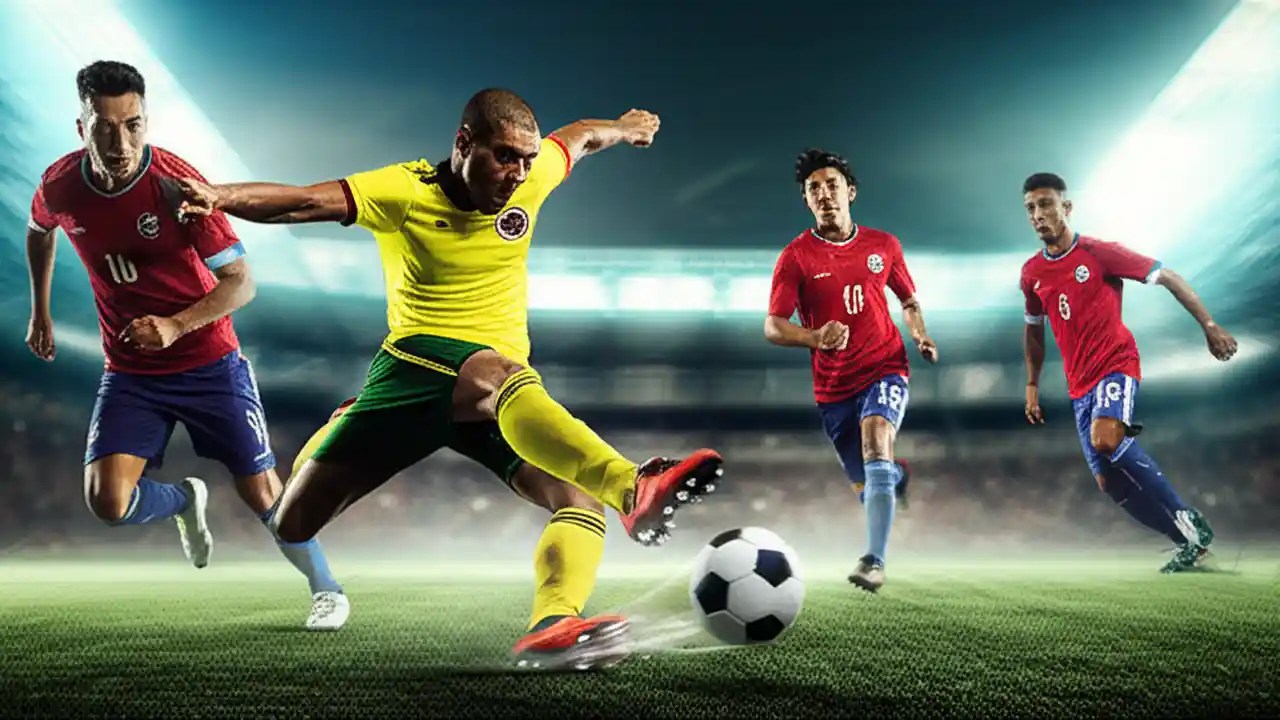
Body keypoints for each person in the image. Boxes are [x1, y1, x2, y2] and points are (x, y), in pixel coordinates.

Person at [174, 88, 725, 667]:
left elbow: (582, 136)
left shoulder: (531, 176)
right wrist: (218, 196)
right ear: (464, 144)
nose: (518, 174)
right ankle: (354, 418)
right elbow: (303, 202)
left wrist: (623, 125)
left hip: (499, 394)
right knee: (293, 523)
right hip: (415, 369)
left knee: (577, 498)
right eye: (504, 157)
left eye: (526, 160)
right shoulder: (405, 191)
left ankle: (559, 616)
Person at [24, 60, 347, 629]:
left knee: (263, 494)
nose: (121, 143)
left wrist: (175, 326)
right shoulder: (60, 184)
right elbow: (39, 231)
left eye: (133, 125)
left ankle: (327, 589)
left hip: (209, 362)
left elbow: (241, 282)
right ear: (81, 129)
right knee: (107, 503)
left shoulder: (177, 185)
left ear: (146, 121)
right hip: (130, 372)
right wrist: (40, 310)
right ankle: (183, 500)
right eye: (104, 128)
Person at [1019, 172, 1236, 572]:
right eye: (1030, 207)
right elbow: (1034, 332)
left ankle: (1189, 519)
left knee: (1105, 439)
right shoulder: (1032, 273)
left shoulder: (1099, 253)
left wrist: (1209, 326)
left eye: (1046, 204)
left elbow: (1167, 276)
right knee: (1109, 483)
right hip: (1078, 386)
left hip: (1115, 364)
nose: (1038, 214)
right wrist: (1032, 383)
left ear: (1067, 207)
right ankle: (1188, 545)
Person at [765, 148, 936, 592]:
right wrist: (814, 336)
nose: (824, 194)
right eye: (814, 189)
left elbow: (908, 299)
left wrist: (919, 335)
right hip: (833, 388)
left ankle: (874, 562)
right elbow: (773, 326)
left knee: (876, 436)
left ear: (851, 192)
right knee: (867, 485)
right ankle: (896, 476)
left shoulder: (884, 245)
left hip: (885, 366)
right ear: (806, 200)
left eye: (832, 185)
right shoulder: (796, 257)